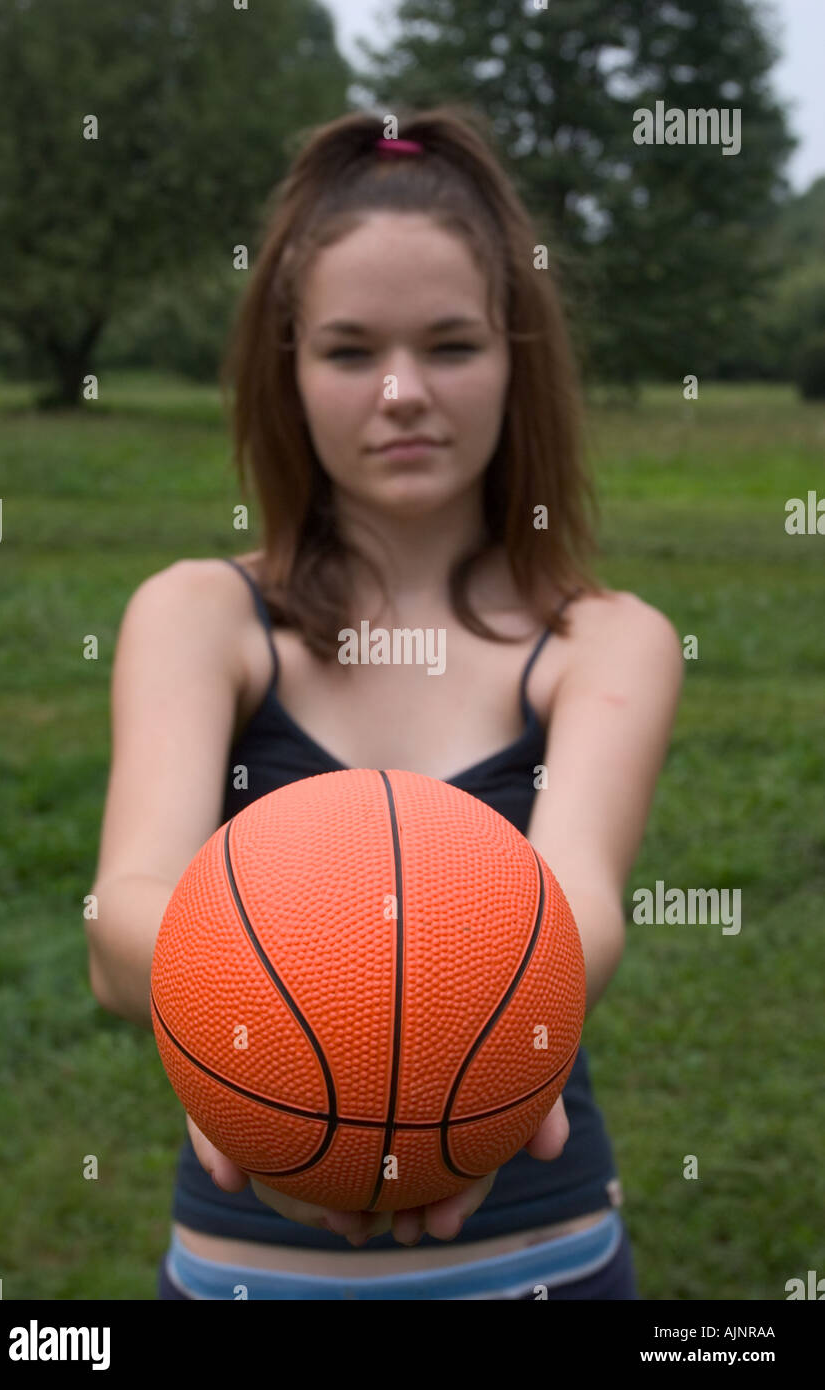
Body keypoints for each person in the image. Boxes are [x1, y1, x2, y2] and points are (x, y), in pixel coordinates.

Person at [86, 106, 683, 1301]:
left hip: (539, 1256)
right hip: (249, 1266)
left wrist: (393, 1065)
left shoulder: (604, 640)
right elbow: (119, 925)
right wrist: (324, 1043)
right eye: (351, 351)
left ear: (518, 360)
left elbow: (575, 914)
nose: (402, 391)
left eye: (451, 345)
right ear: (288, 370)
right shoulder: (201, 616)